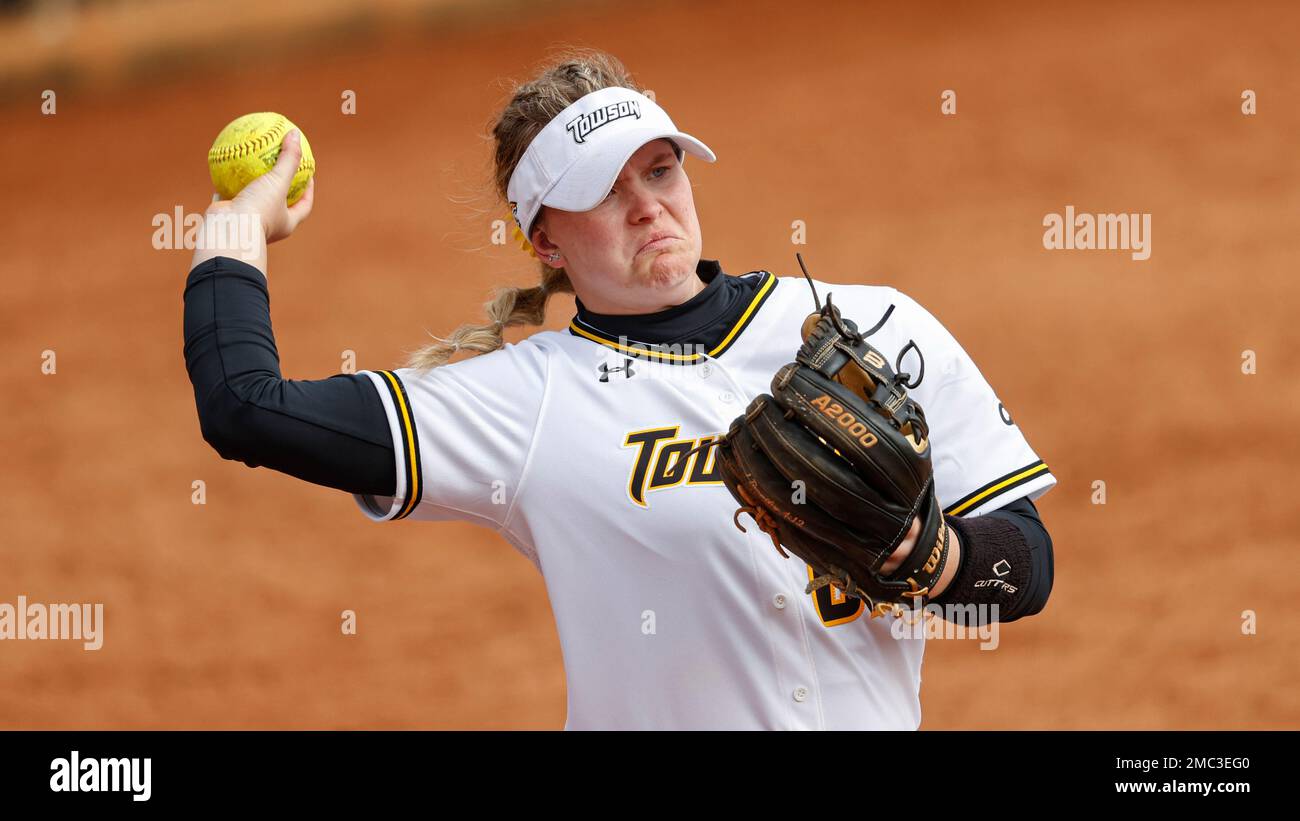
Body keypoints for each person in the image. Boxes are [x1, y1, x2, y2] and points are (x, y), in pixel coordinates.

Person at [183, 50, 1056, 730]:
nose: (648, 207)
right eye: (602, 188)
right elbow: (246, 408)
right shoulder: (524, 404)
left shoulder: (866, 326)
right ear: (546, 242)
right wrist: (232, 227)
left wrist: (927, 556)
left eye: (661, 169)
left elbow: (1029, 566)